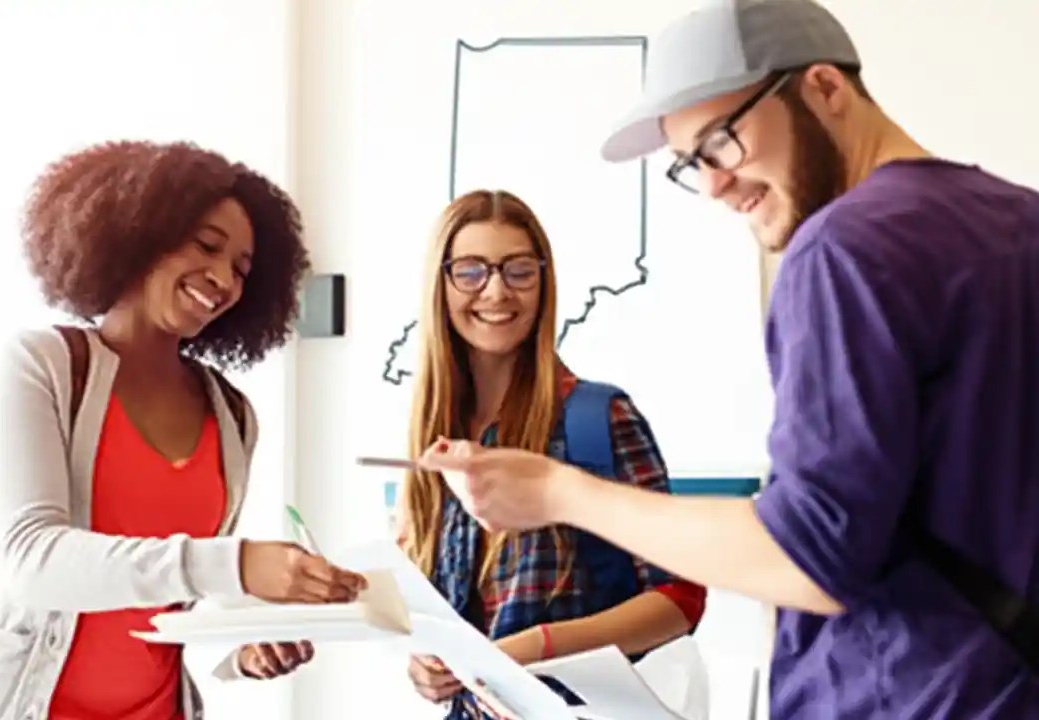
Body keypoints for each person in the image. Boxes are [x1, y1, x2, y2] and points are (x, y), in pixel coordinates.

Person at [417, 1, 1039, 718]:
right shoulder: (1018, 223)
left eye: (723, 140)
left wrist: (561, 493)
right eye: (692, 163)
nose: (713, 184)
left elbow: (809, 554)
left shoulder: (846, 249)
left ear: (825, 89)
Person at [0, 140, 366, 720]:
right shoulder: (41, 364)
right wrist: (241, 564)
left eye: (242, 269)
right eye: (207, 246)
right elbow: (32, 562)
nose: (223, 278)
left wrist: (243, 640)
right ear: (141, 230)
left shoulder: (232, 415)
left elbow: (173, 595)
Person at [400, 190, 706, 718]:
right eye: (470, 271)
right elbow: (441, 619)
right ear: (441, 285)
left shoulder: (598, 418)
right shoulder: (436, 447)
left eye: (518, 270)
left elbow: (680, 599)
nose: (496, 290)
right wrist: (426, 665)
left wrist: (538, 646)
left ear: (543, 282)